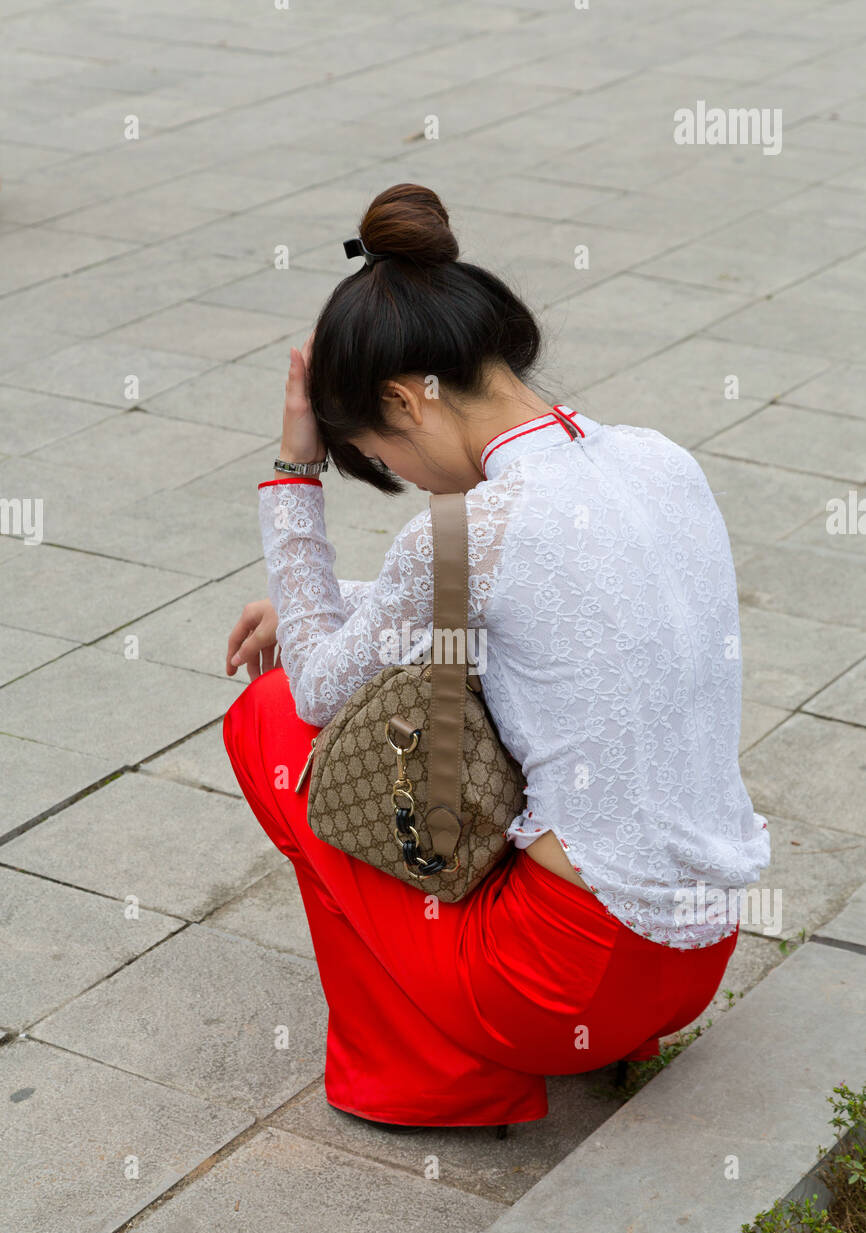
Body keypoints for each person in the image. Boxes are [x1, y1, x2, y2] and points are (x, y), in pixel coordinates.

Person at [222, 182, 771, 1131]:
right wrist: (344, 602)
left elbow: (315, 687)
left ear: (405, 400)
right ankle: (543, 1045)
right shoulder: (658, 459)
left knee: (267, 715)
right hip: (692, 965)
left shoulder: (473, 529)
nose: (408, 483)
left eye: (386, 460)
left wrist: (294, 474)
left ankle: (436, 1079)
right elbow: (548, 615)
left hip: (558, 989)